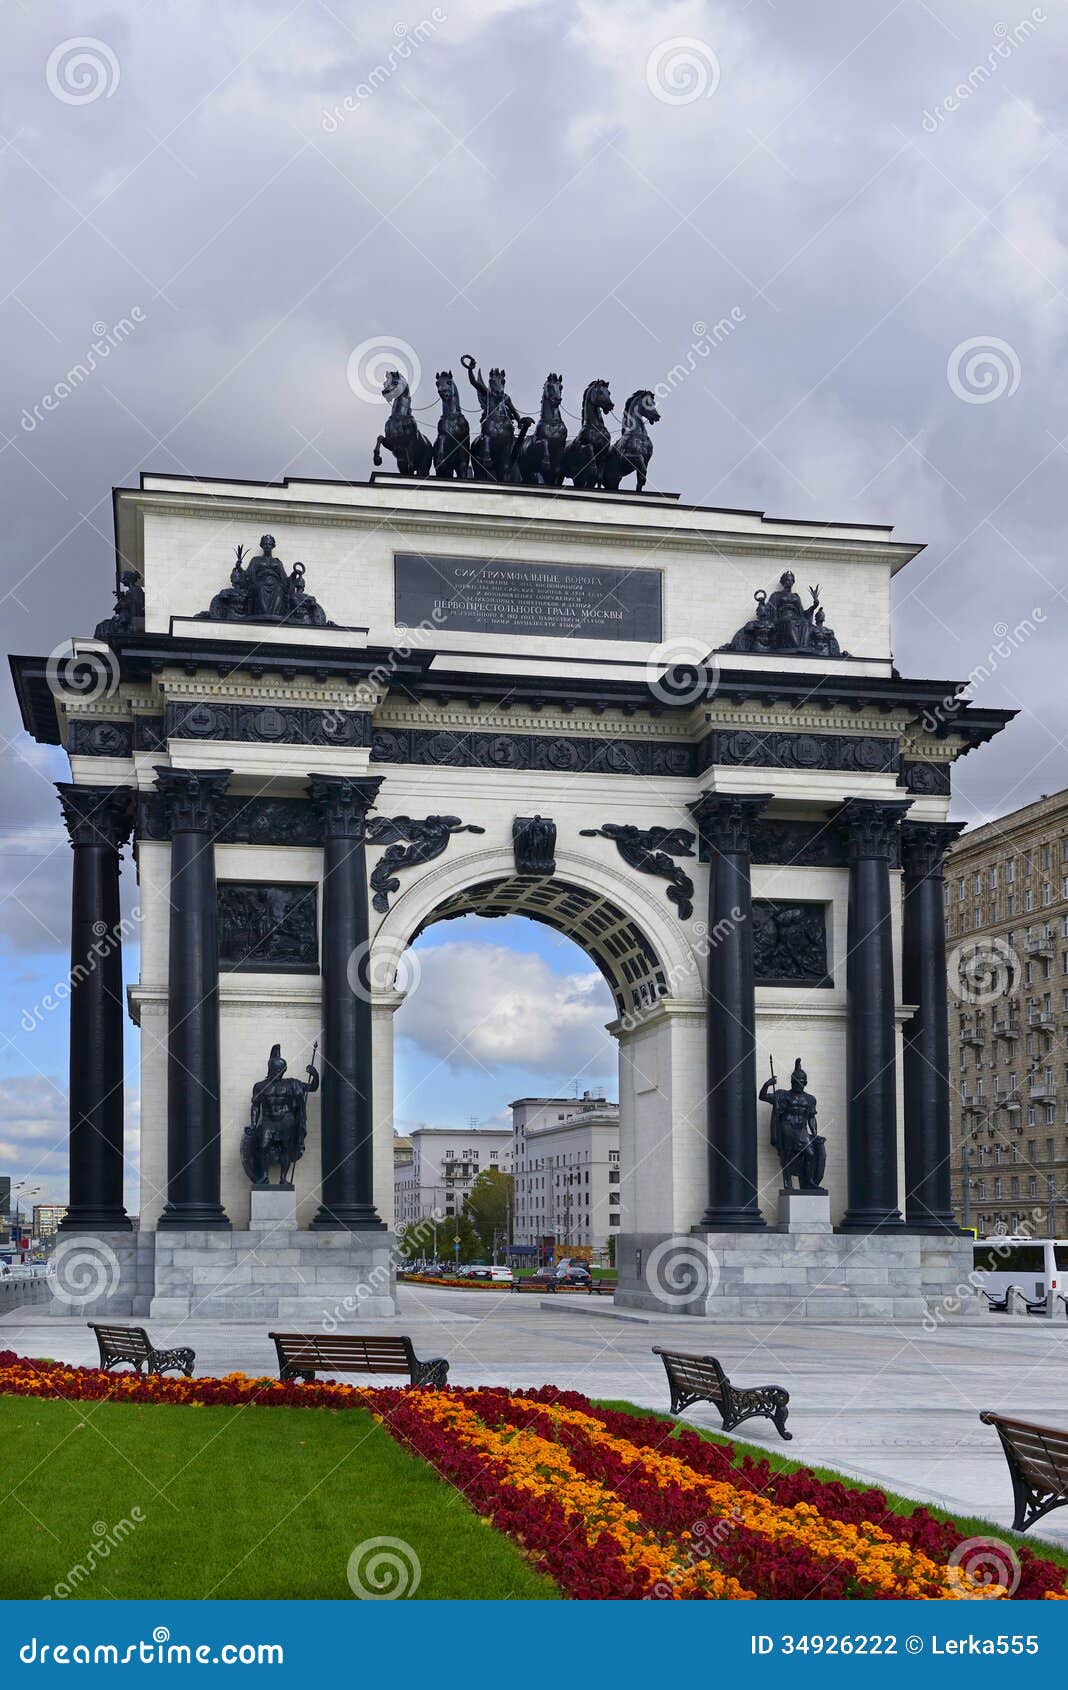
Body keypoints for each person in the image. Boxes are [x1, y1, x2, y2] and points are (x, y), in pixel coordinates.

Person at [759, 1058, 827, 1192]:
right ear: (792, 1081)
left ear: (805, 1083)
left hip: (801, 1130)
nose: (798, 1085)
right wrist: (767, 1084)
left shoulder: (810, 1099)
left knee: (810, 1154)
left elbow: (812, 1118)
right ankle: (788, 1183)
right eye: (795, 1082)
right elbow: (762, 1096)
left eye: (801, 1083)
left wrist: (814, 1134)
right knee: (787, 1155)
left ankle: (808, 1182)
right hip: (787, 1128)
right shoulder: (782, 1095)